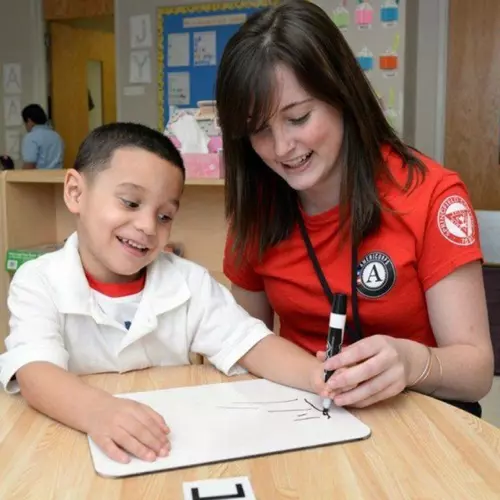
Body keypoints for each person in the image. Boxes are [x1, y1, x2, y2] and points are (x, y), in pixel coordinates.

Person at [216, 0, 493, 417]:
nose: (281, 149)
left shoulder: (432, 195)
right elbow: (243, 342)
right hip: (309, 418)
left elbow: (476, 372)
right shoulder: (258, 209)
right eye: (259, 130)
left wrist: (412, 362)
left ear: (342, 95)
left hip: (423, 421)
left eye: (298, 118)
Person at [0, 122, 332, 465]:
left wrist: (317, 376)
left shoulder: (189, 283)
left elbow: (251, 343)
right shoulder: (37, 280)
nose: (147, 227)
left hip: (165, 449)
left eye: (164, 216)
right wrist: (98, 412)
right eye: (130, 203)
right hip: (69, 450)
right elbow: (34, 373)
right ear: (75, 192)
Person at [21, 103, 64, 169]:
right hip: (58, 177)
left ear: (29, 121)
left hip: (39, 178)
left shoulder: (31, 137)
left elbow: (29, 166)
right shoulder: (56, 136)